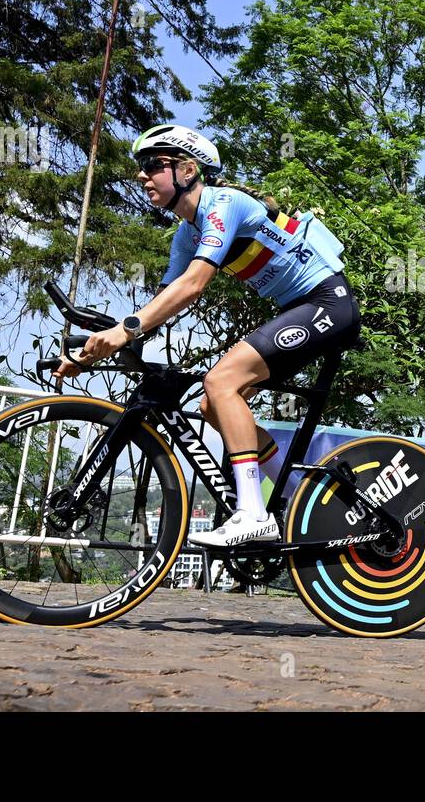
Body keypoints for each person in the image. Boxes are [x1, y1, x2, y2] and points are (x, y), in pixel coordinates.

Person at [55, 124, 362, 547]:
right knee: (214, 403)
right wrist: (92, 353)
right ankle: (300, 501)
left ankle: (253, 513)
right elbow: (162, 302)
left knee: (221, 381)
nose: (143, 176)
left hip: (328, 303)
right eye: (140, 169)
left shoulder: (225, 204)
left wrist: (123, 332)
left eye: (152, 166)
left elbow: (194, 285)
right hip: (299, 309)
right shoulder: (187, 234)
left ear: (187, 170)